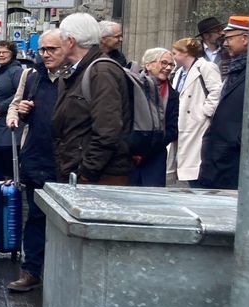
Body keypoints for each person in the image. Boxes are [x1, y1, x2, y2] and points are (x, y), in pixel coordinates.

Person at [5, 29, 64, 293]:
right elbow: (15, 105)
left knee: (64, 223)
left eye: (52, 49)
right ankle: (31, 271)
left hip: (65, 162)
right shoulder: (32, 75)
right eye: (43, 49)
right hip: (36, 156)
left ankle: (62, 274)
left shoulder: (74, 77)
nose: (46, 54)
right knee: (36, 218)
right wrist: (17, 113)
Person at [52, 12, 132, 185]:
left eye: (61, 38)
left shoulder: (101, 72)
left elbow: (107, 130)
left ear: (70, 41)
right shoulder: (80, 70)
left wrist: (87, 173)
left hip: (98, 178)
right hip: (79, 171)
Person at [199, 16, 249, 190]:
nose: (225, 43)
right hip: (220, 159)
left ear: (246, 38)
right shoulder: (237, 67)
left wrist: (238, 141)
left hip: (235, 159)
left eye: (229, 38)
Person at [171, 37, 222, 186]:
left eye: (175, 53)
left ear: (185, 53)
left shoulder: (205, 67)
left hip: (197, 123)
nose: (173, 56)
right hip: (182, 122)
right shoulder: (179, 72)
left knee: (195, 163)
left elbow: (217, 90)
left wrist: (204, 112)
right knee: (185, 160)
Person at [129, 48, 179, 187]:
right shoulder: (131, 85)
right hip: (128, 156)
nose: (168, 68)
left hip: (154, 158)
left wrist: (149, 148)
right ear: (148, 64)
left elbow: (172, 129)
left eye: (171, 65)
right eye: (164, 63)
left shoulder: (173, 95)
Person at [0, 40, 24, 181]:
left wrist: (0, 108)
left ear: (12, 54)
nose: (1, 55)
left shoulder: (17, 71)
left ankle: (11, 180)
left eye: (5, 52)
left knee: (6, 149)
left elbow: (20, 93)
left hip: (7, 116)